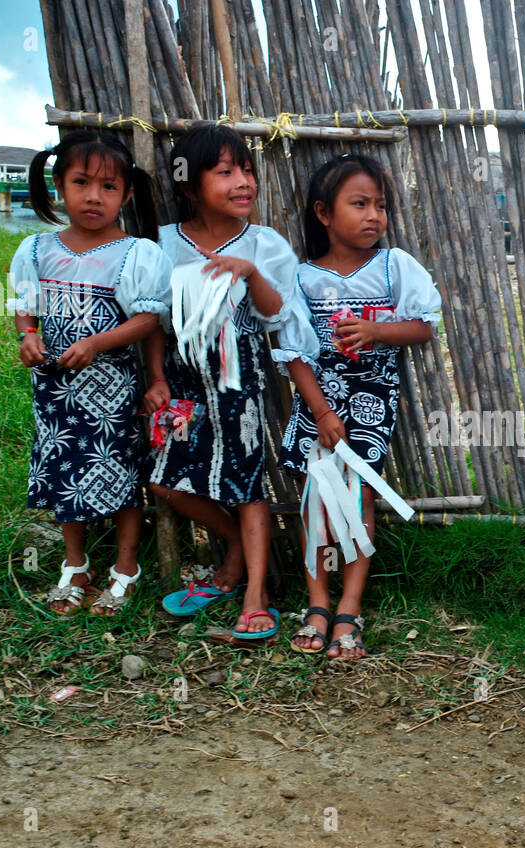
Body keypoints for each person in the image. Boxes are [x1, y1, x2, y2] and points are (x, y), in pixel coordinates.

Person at [144, 123, 325, 642]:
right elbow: (156, 319)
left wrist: (249, 273)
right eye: (225, 172)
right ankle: (237, 558)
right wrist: (155, 377)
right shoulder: (162, 247)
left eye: (246, 170)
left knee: (246, 486)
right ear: (188, 185)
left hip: (238, 384)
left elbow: (277, 316)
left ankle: (254, 593)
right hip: (180, 385)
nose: (243, 181)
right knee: (164, 479)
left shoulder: (263, 245)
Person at [279, 153, 441, 660]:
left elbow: (424, 326)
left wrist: (376, 331)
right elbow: (293, 354)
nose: (374, 215)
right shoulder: (301, 279)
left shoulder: (394, 268)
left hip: (371, 400)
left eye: (381, 205)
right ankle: (317, 603)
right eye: (360, 204)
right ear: (324, 213)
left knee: (356, 496)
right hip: (317, 401)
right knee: (314, 499)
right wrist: (322, 413)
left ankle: (350, 606)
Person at [10, 131, 170, 616]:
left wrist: (98, 343)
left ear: (126, 194)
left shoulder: (137, 254)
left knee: (120, 475)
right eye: (81, 182)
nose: (94, 196)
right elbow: (25, 307)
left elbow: (150, 319)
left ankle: (126, 567)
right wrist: (26, 336)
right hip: (55, 388)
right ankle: (75, 565)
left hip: (114, 392)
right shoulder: (36, 250)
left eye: (108, 186)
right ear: (60, 185)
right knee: (65, 474)